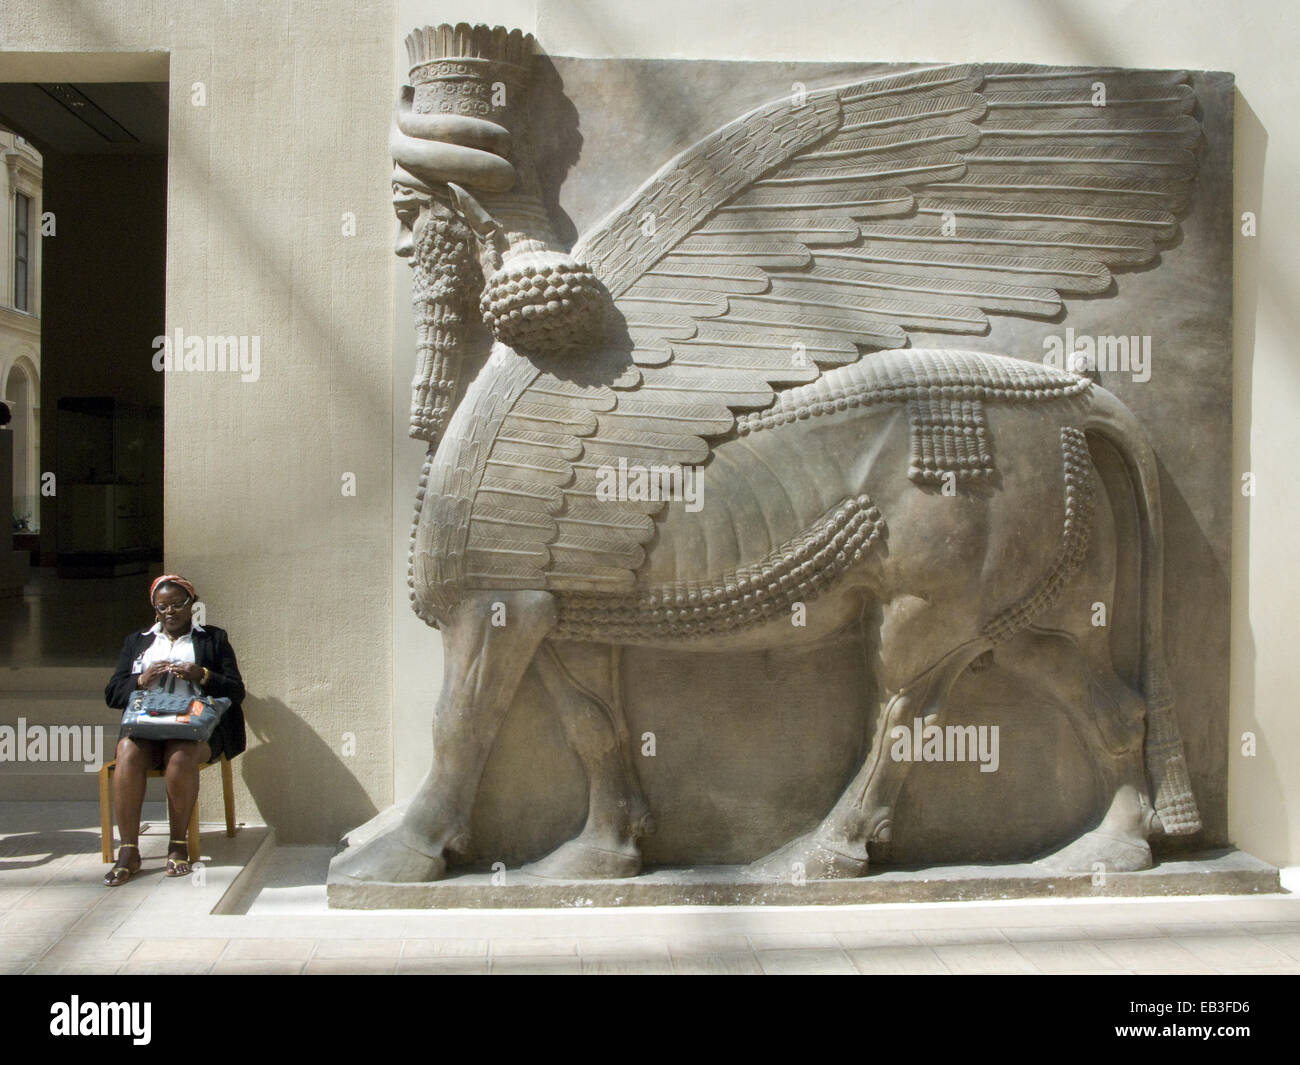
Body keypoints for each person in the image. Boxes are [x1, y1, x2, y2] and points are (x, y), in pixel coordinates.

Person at [101, 575, 245, 886]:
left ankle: (177, 844)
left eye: (178, 604)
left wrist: (203, 674)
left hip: (195, 730)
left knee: (179, 756)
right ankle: (129, 851)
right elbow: (112, 694)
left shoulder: (213, 639)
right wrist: (141, 680)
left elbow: (236, 691)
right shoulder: (137, 641)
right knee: (127, 750)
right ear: (155, 609)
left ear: (192, 605)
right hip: (149, 727)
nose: (170, 611)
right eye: (162, 606)